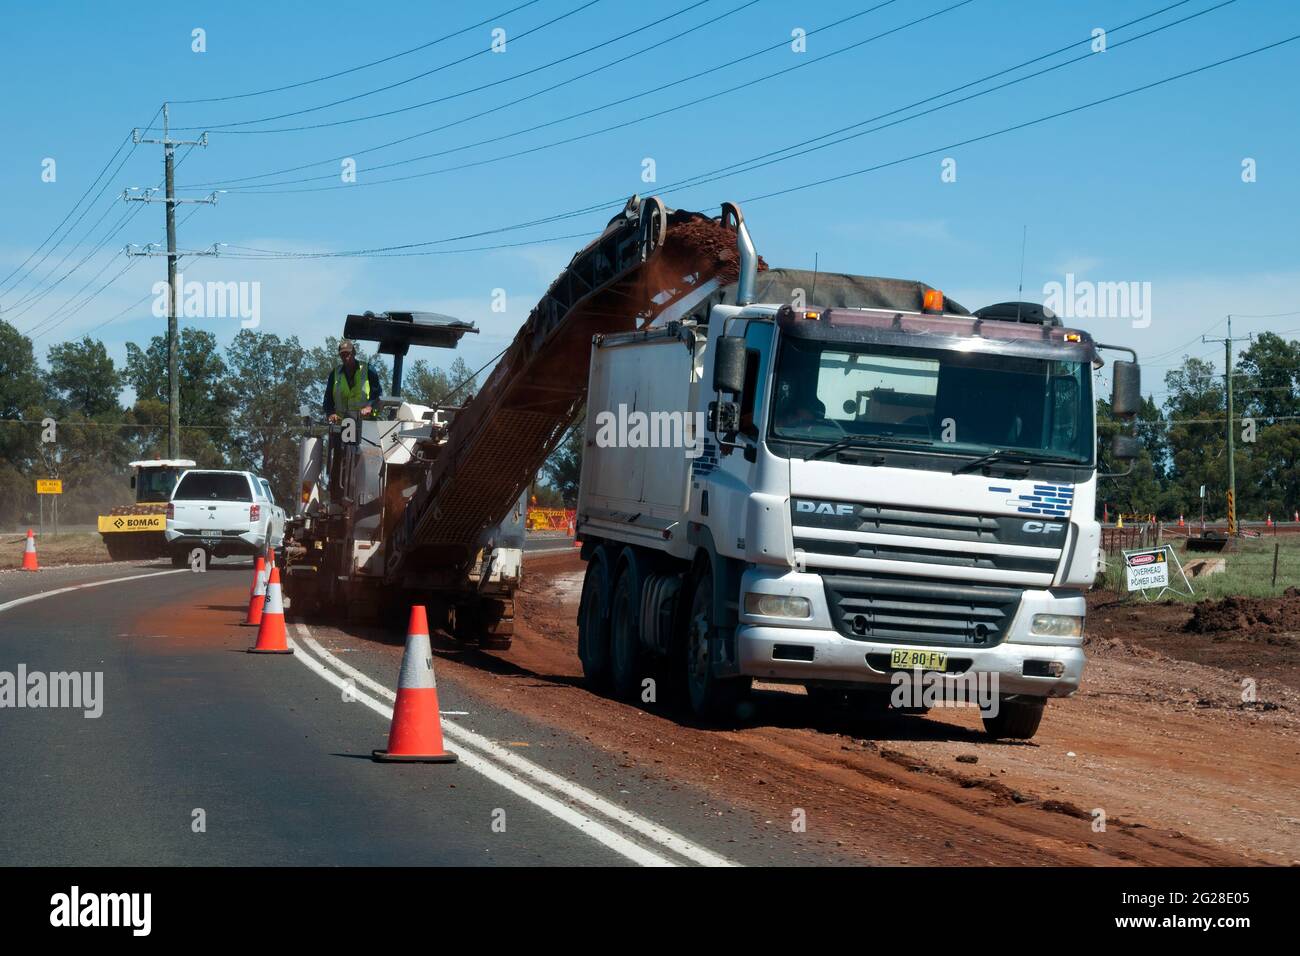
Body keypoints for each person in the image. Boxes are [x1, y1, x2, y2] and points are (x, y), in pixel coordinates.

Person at [323, 339, 381, 423]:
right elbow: (328, 399)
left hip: (365, 422)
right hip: (341, 424)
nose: (345, 357)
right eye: (342, 354)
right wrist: (331, 413)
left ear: (354, 353)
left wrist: (369, 406)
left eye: (348, 354)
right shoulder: (334, 374)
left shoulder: (368, 370)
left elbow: (377, 394)